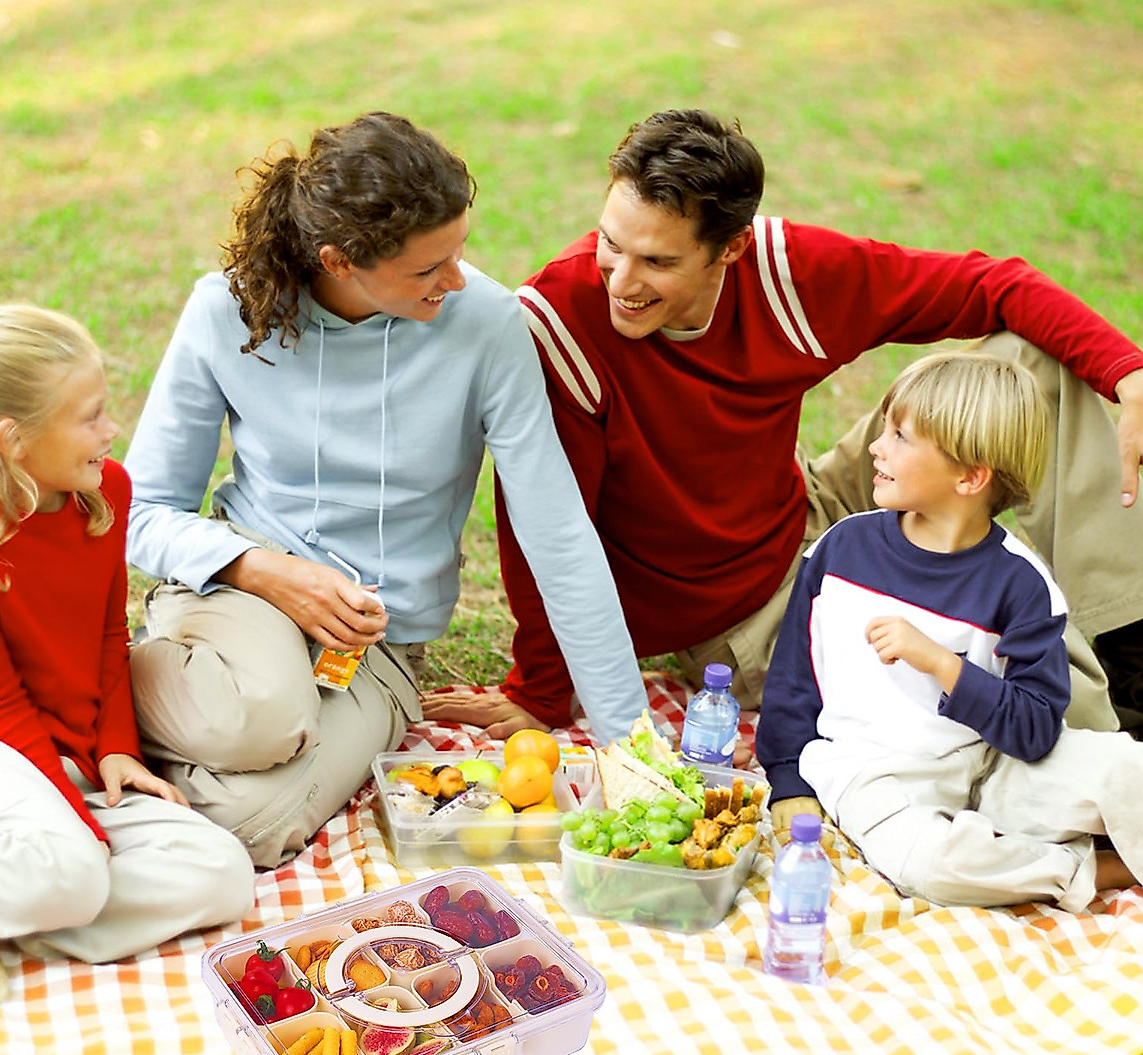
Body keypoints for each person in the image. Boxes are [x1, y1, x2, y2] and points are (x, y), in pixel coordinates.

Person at [421, 108, 1143, 750]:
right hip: (749, 614)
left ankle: (1125, 641)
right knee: (966, 671)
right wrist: (542, 689)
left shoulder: (785, 274)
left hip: (810, 509)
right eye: (612, 243)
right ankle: (1091, 727)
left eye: (659, 261)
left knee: (1033, 359)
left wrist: (1131, 377)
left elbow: (996, 285)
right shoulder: (562, 321)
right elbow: (544, 524)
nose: (621, 280)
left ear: (728, 250)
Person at [125, 112, 647, 868]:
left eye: (459, 252)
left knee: (254, 826)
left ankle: (151, 746)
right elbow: (142, 511)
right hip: (244, 590)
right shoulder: (226, 310)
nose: (457, 279)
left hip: (375, 645)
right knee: (260, 719)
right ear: (338, 260)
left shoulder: (489, 327)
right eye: (428, 268)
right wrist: (262, 569)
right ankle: (97, 693)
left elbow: (558, 532)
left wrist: (630, 743)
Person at [754, 350, 1143, 911]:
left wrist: (944, 665)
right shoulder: (842, 550)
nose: (875, 447)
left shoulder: (1023, 585)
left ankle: (1057, 836)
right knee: (933, 866)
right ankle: (1093, 868)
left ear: (970, 476)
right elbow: (792, 680)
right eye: (884, 428)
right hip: (870, 775)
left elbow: (1035, 731)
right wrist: (789, 783)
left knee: (1127, 766)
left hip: (993, 764)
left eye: (901, 437)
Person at [0, 304, 255, 963]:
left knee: (222, 872)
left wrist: (116, 750)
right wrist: (83, 832)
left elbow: (111, 639)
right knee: (73, 870)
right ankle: (43, 882)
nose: (113, 430)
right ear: (13, 440)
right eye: (90, 418)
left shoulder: (105, 491)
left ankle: (12, 904)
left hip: (66, 754)